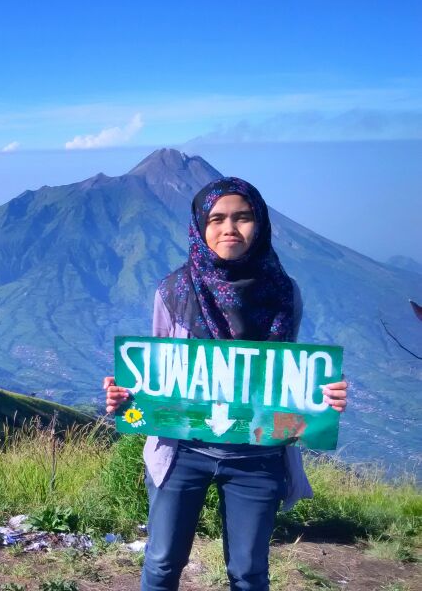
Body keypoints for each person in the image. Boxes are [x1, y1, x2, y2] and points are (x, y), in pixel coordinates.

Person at [102, 177, 349, 591]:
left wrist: (322, 395)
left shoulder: (285, 294)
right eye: (216, 218)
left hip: (258, 456)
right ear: (200, 227)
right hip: (181, 452)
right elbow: (157, 370)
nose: (229, 227)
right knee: (162, 563)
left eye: (243, 217)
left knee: (249, 573)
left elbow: (288, 372)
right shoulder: (173, 292)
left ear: (261, 223)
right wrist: (125, 394)